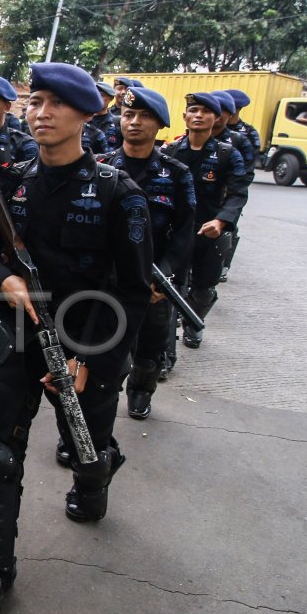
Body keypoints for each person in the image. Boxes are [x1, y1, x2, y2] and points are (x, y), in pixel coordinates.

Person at [0, 62, 152, 614]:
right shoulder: (10, 179)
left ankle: (96, 479)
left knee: (84, 446)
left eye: (55, 104)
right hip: (14, 334)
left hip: (89, 341)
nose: (40, 113)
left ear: (88, 115)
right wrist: (1, 279)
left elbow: (133, 293)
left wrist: (89, 356)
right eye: (34, 102)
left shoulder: (121, 194)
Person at [97, 87, 195, 420]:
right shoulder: (102, 167)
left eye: (144, 116)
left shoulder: (177, 175)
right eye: (128, 115)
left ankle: (141, 390)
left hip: (154, 279)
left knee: (150, 345)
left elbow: (183, 233)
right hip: (106, 277)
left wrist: (165, 275)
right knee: (99, 348)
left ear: (160, 125)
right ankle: (93, 410)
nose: (134, 122)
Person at [162, 92, 249, 349]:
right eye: (194, 110)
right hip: (175, 232)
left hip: (209, 232)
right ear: (184, 117)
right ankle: (165, 353)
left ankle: (194, 322)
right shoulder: (171, 150)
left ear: (216, 118)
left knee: (203, 289)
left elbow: (237, 193)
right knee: (169, 290)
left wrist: (221, 222)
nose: (198, 115)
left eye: (205, 111)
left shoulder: (228, 154)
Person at [222, 89, 258, 280]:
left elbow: (248, 168)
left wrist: (233, 189)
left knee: (229, 227)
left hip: (231, 189)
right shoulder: (211, 130)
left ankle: (223, 266)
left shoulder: (247, 134)